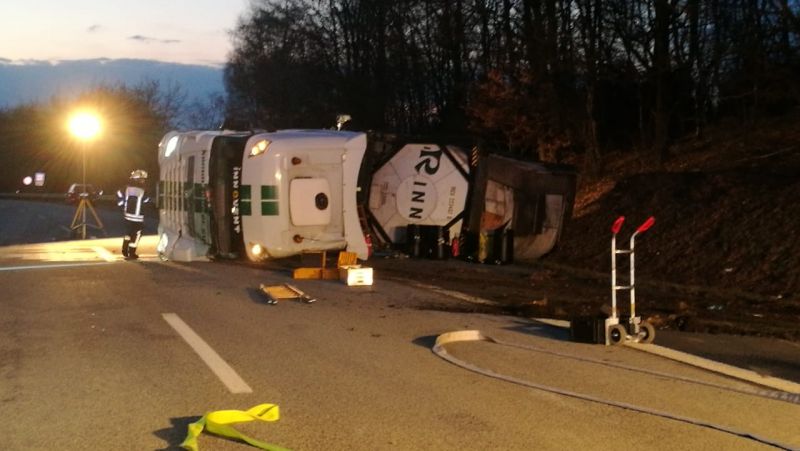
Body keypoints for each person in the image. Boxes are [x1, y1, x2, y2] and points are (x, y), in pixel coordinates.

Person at [117, 169, 150, 260]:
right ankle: (132, 253)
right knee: (137, 234)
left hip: (127, 216)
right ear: (138, 180)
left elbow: (119, 194)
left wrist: (122, 204)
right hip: (138, 217)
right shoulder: (143, 191)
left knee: (128, 233)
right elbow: (147, 200)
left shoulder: (126, 188)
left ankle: (124, 249)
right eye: (142, 179)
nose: (144, 181)